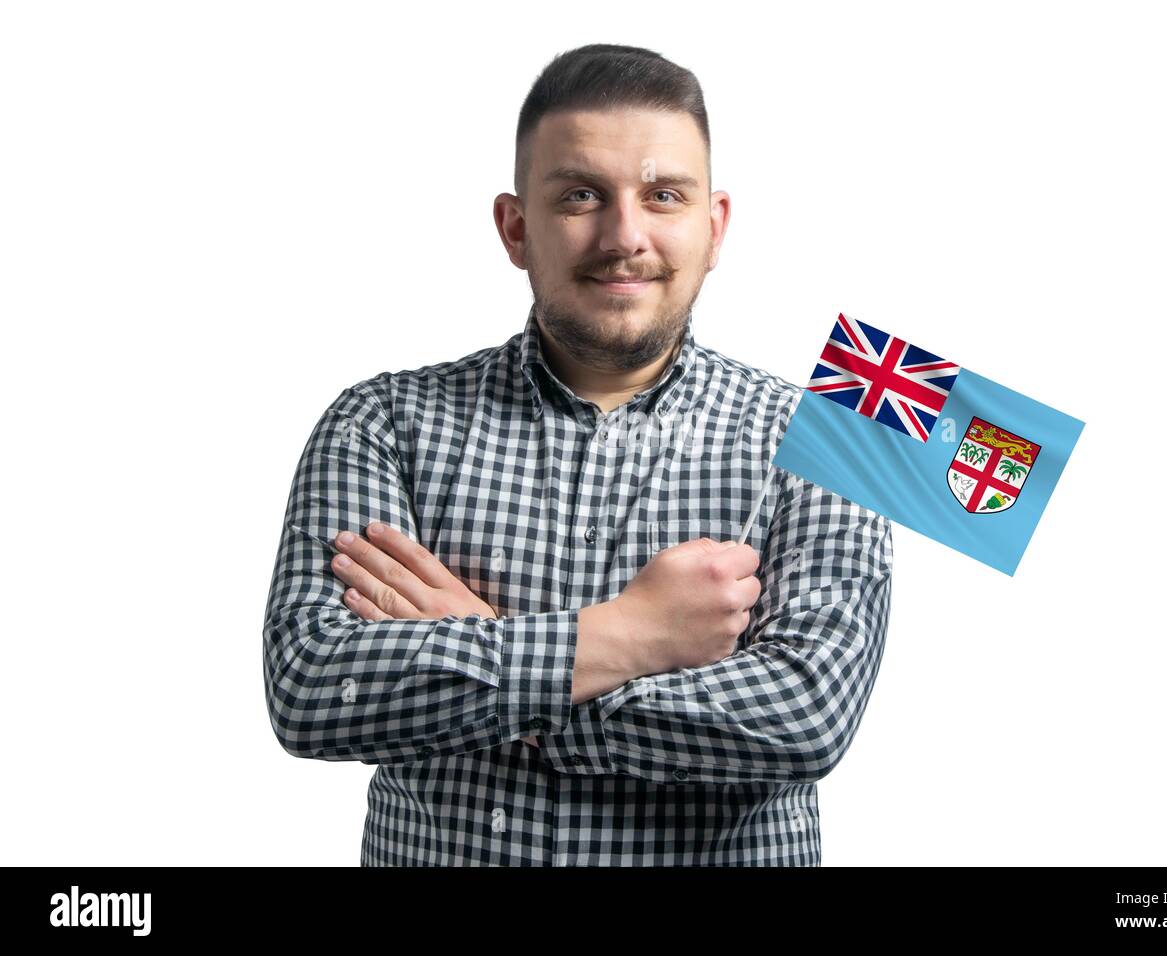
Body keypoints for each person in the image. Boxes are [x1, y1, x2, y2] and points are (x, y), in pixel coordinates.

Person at [262, 42, 893, 866]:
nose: (624, 236)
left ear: (714, 227)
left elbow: (804, 720)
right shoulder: (379, 422)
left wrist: (492, 655)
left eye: (663, 195)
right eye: (582, 195)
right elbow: (314, 689)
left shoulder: (836, 433)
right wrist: (628, 633)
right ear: (516, 227)